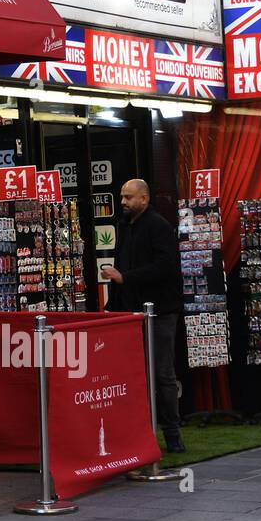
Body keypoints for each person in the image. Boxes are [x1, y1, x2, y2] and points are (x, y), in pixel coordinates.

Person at [101, 178, 186, 453]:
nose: (123, 202)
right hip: (131, 312)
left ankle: (172, 435)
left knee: (162, 373)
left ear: (144, 199)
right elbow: (120, 267)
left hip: (160, 311)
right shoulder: (125, 226)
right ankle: (140, 434)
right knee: (135, 375)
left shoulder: (159, 226)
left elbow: (165, 267)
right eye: (122, 197)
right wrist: (114, 306)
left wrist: (125, 278)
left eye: (128, 197)